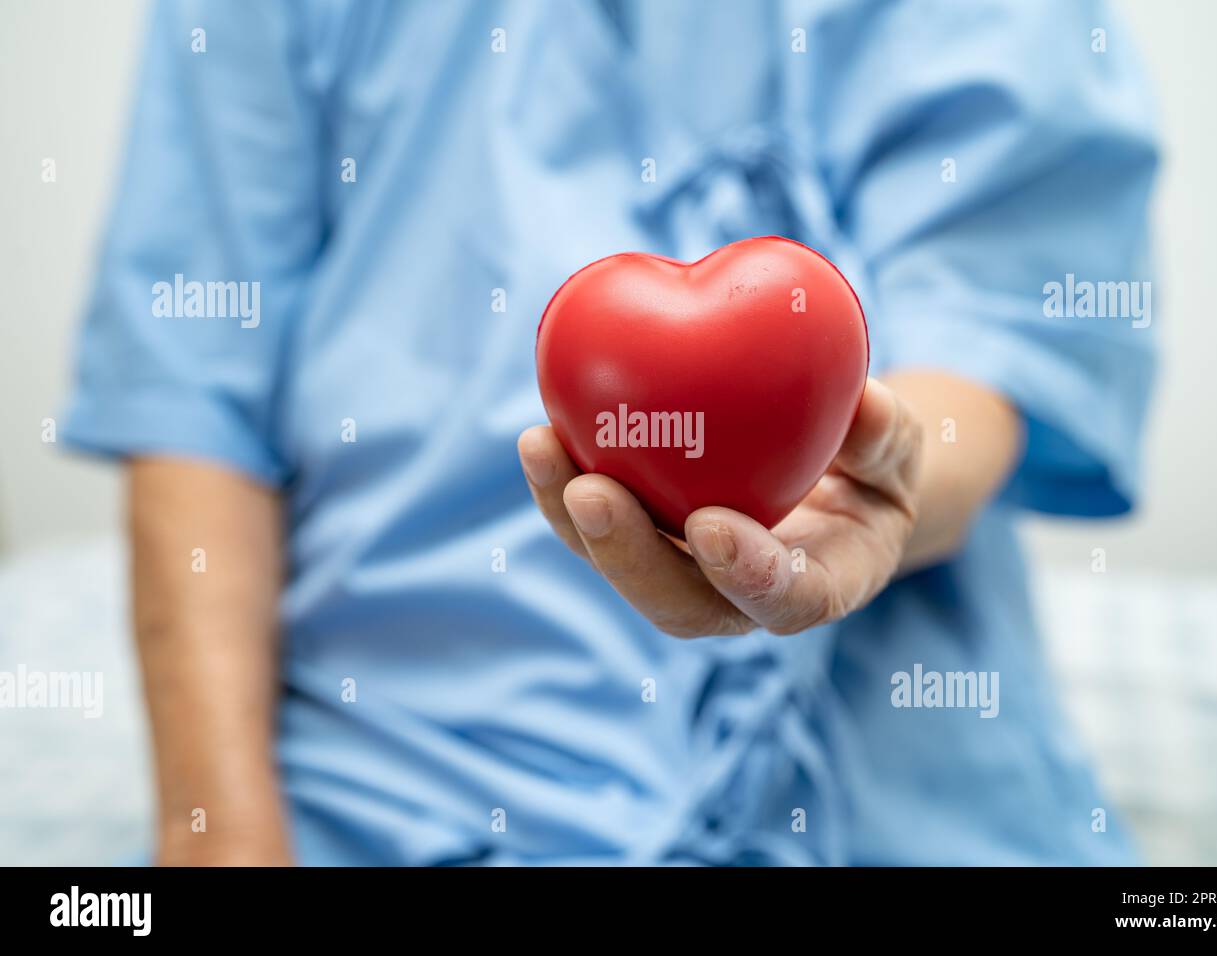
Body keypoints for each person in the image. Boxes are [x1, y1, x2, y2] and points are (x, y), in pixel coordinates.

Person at [65, 0, 1158, 865]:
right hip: (383, 787)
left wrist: (884, 478)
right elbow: (193, 397)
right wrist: (223, 835)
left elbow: (1001, 337)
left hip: (887, 798)